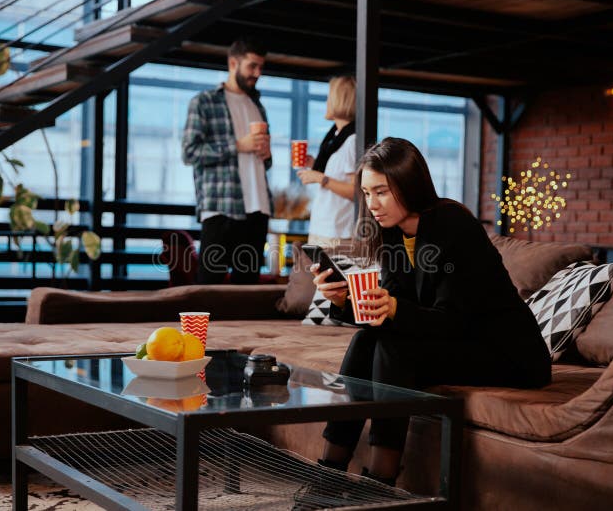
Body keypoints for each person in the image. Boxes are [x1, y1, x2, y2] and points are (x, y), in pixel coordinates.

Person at [307, 137, 551, 488]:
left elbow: (454, 321)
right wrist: (344, 300)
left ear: (409, 184)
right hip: (455, 341)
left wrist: (394, 308)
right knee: (364, 342)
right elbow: (391, 313)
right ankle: (327, 476)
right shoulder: (394, 233)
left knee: (394, 347)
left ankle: (379, 484)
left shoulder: (453, 225)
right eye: (367, 193)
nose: (372, 204)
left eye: (381, 192)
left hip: (506, 352)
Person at [182, 37, 272, 284]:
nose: (257, 73)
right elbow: (189, 152)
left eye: (261, 67)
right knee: (209, 287)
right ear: (233, 63)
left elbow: (264, 163)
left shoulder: (258, 106)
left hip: (258, 208)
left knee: (246, 290)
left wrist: (266, 155)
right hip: (221, 207)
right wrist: (238, 146)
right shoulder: (204, 102)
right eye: (252, 66)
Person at [296, 76, 357, 249]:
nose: (326, 102)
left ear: (340, 100)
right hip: (322, 227)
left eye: (329, 97)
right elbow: (338, 173)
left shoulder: (352, 140)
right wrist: (314, 164)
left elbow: (356, 192)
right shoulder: (335, 137)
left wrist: (320, 178)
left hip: (337, 231)